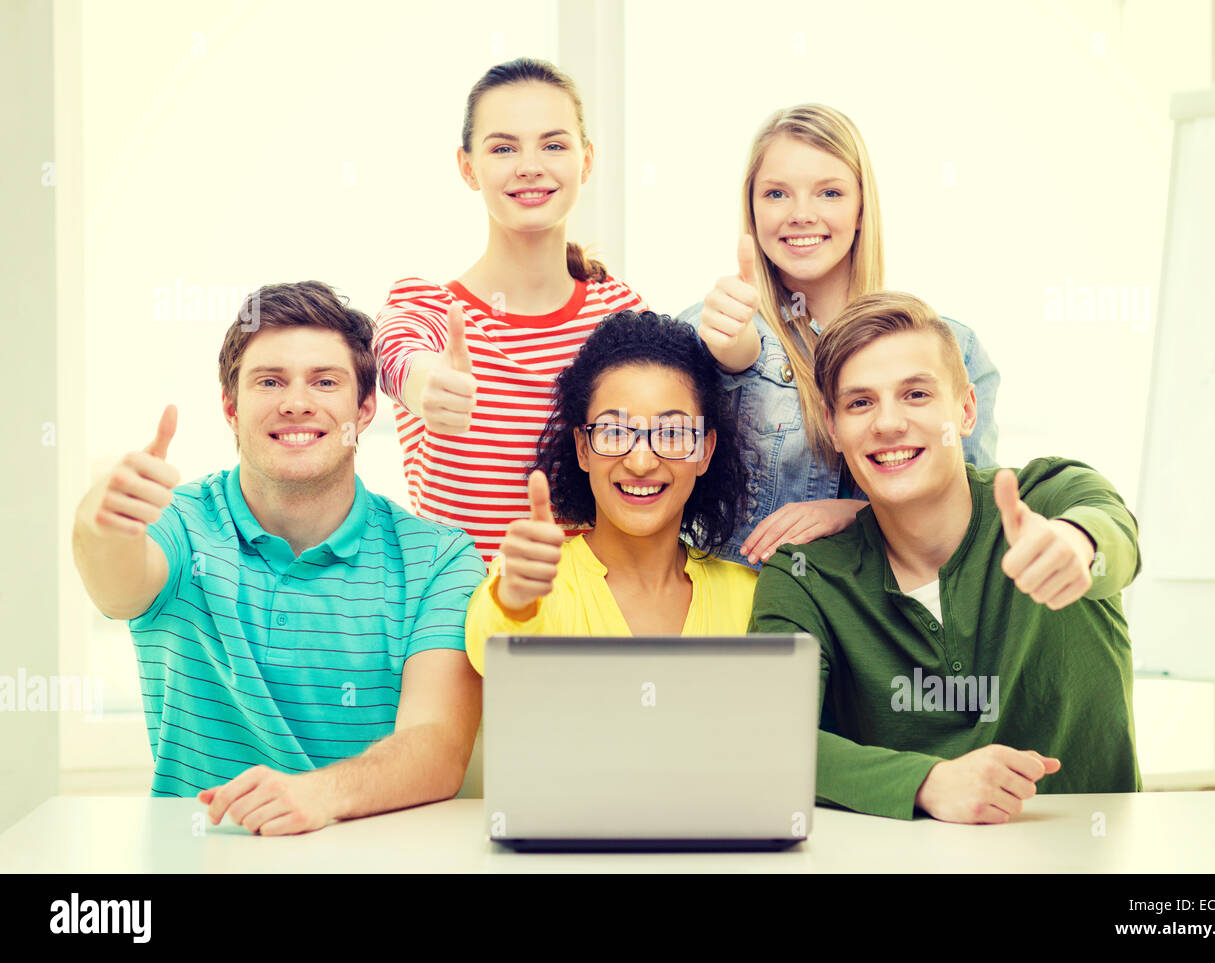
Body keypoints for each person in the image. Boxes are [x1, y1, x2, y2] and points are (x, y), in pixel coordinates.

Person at [71, 281, 486, 835]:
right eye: (269, 381)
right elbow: (116, 586)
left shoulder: (440, 558)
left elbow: (436, 748)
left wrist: (318, 796)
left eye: (324, 381)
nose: (296, 401)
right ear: (230, 408)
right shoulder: (181, 524)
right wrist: (102, 522)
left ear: (364, 410)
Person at [749, 292, 1141, 824]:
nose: (887, 423)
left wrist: (1076, 545)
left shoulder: (1048, 495)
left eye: (915, 394)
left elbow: (1112, 533)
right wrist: (926, 782)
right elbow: (767, 740)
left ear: (965, 410)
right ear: (833, 425)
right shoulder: (803, 575)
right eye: (860, 403)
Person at [678, 104, 1001, 568]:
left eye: (829, 192)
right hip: (748, 629)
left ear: (860, 209)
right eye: (776, 194)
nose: (801, 214)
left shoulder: (955, 348)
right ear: (751, 209)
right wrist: (728, 363)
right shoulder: (710, 328)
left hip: (888, 630)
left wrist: (858, 515)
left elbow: (971, 522)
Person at [374, 58, 646, 563]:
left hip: (583, 623)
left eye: (553, 144)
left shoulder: (621, 313)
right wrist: (426, 383)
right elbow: (395, 350)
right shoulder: (430, 306)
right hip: (454, 621)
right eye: (503, 148)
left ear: (585, 160)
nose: (529, 166)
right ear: (468, 167)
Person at [464, 310, 756, 672]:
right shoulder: (532, 583)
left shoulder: (750, 596)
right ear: (583, 449)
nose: (641, 462)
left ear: (705, 451)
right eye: (615, 431)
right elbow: (491, 648)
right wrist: (515, 599)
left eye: (672, 432)